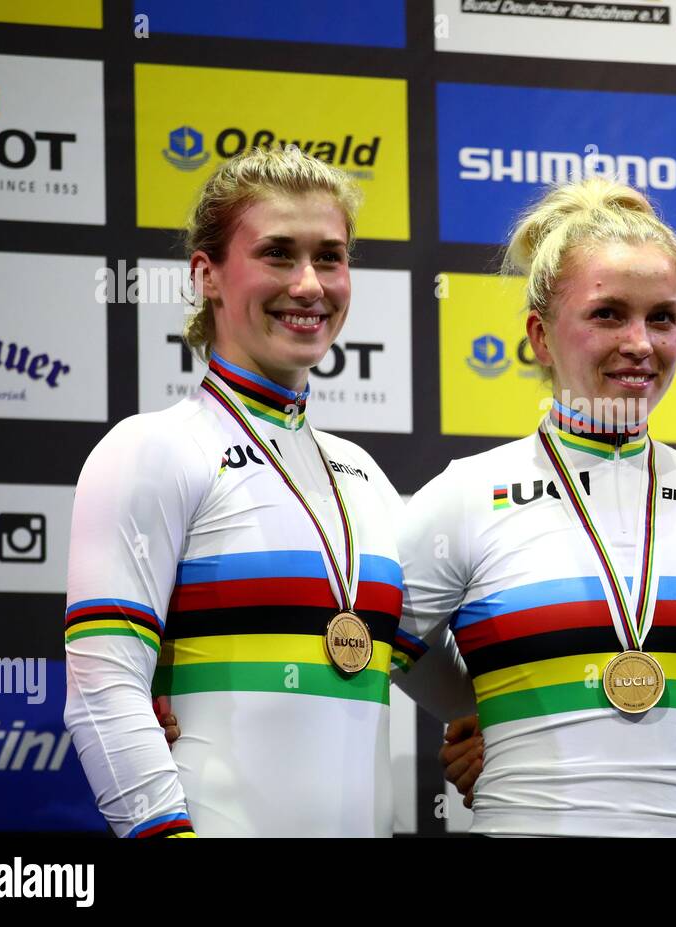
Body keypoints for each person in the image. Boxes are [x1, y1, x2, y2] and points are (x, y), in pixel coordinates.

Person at [64, 147, 472, 838]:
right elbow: (103, 691)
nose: (310, 284)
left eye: (331, 256)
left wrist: (507, 724)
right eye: (279, 254)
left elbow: (435, 674)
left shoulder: (365, 478)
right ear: (207, 275)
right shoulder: (153, 449)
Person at [396, 177, 676, 836]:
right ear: (542, 336)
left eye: (662, 316)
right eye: (608, 313)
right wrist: (486, 707)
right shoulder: (466, 495)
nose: (639, 342)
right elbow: (385, 644)